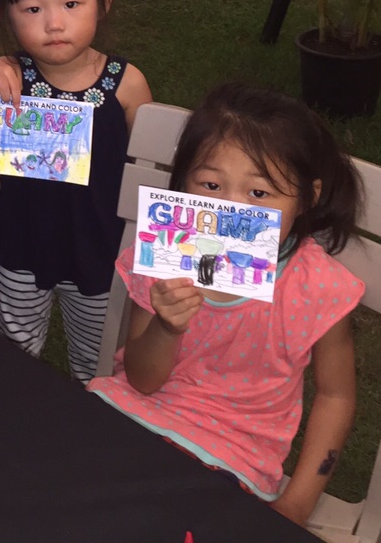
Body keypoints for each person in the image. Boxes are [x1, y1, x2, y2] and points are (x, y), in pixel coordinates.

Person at [89, 83, 365, 525]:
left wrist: (298, 503)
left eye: (259, 194)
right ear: (183, 183)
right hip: (134, 419)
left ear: (307, 198)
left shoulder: (317, 289)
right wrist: (167, 327)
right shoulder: (168, 258)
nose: (229, 211)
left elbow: (335, 395)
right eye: (211, 184)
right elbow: (140, 380)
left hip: (232, 461)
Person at [0, 0, 152, 382]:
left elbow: (151, 174)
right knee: (15, 349)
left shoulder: (126, 84)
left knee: (97, 359)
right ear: (5, 16)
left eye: (71, 4)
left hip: (101, 250)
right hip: (23, 245)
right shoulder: (9, 77)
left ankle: (88, 428)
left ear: (102, 1)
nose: (53, 23)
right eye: (32, 9)